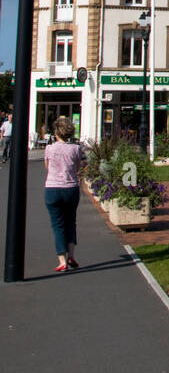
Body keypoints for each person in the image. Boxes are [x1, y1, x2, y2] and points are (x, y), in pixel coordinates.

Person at [43, 116, 87, 272]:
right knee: (70, 221)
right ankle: (72, 255)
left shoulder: (49, 149)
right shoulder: (76, 149)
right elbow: (81, 166)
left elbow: (47, 166)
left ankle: (62, 260)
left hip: (53, 188)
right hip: (71, 188)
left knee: (58, 224)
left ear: (56, 133)